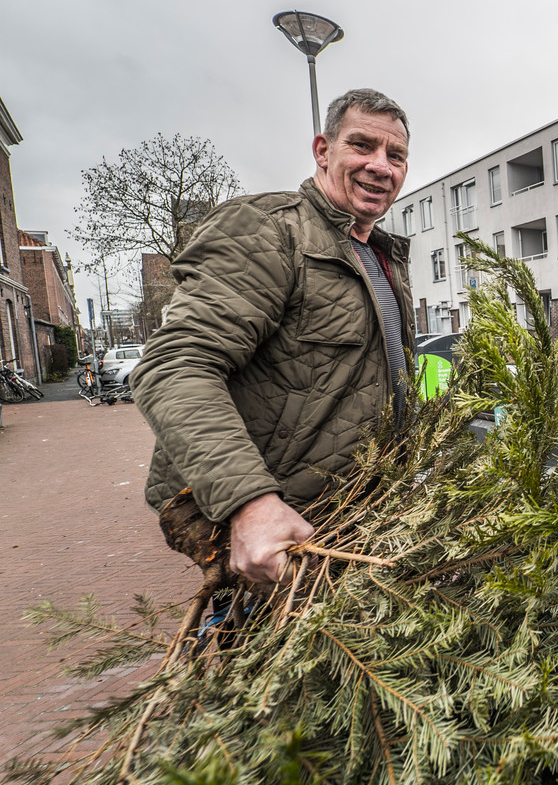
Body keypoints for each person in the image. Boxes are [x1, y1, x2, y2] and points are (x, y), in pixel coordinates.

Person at [135, 89, 414, 586]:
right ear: (323, 151)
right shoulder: (269, 230)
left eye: (395, 156)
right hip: (286, 530)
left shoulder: (383, 257)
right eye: (362, 146)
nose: (380, 166)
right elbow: (176, 365)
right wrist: (250, 503)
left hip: (356, 523)